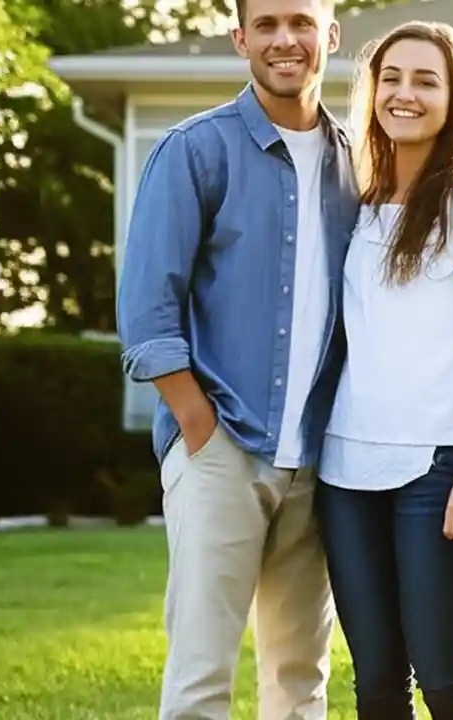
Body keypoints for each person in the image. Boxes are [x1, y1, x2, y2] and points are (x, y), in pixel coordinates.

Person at [115, 0, 358, 716]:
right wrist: (199, 429)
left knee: (299, 678)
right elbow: (147, 314)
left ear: (330, 37)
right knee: (200, 677)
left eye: (302, 23)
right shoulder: (195, 151)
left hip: (316, 462)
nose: (286, 40)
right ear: (240, 39)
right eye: (268, 25)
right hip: (221, 450)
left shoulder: (357, 163)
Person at [314, 20, 453, 720]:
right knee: (375, 684)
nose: (405, 93)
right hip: (344, 473)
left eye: (426, 80)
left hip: (439, 469)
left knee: (444, 678)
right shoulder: (354, 206)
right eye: (392, 78)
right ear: (372, 92)